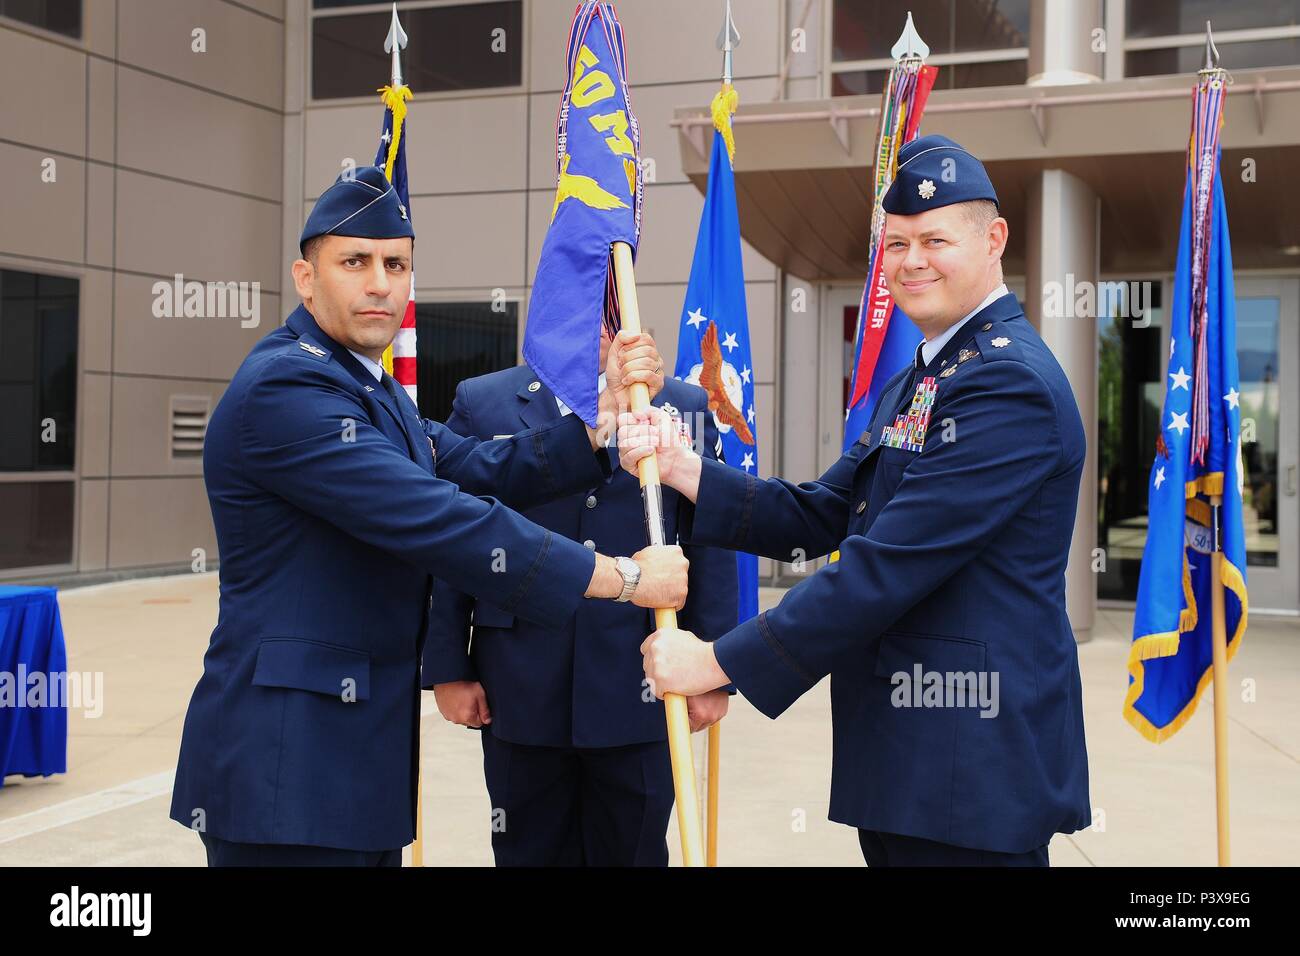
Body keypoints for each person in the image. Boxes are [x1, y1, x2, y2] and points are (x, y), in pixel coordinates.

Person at [169, 165, 687, 866]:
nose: (380, 282)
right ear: (305, 276)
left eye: (396, 264)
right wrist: (623, 579)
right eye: (354, 262)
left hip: (348, 765)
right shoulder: (289, 388)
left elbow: (483, 466)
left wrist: (602, 424)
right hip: (286, 769)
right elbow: (444, 518)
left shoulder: (367, 389)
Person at [622, 135, 1091, 867]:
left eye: (935, 239)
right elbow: (826, 514)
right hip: (916, 758)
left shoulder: (1009, 385)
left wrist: (719, 659)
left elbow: (887, 564)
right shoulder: (926, 376)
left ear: (994, 239)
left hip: (972, 763)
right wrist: (689, 471)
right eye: (897, 243)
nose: (911, 261)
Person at [423, 326, 737, 866]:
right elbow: (456, 539)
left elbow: (710, 534)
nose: (596, 322)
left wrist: (716, 670)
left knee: (634, 849)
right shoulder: (485, 400)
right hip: (517, 682)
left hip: (640, 681)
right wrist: (450, 667)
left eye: (609, 306)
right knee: (527, 849)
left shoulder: (679, 403)